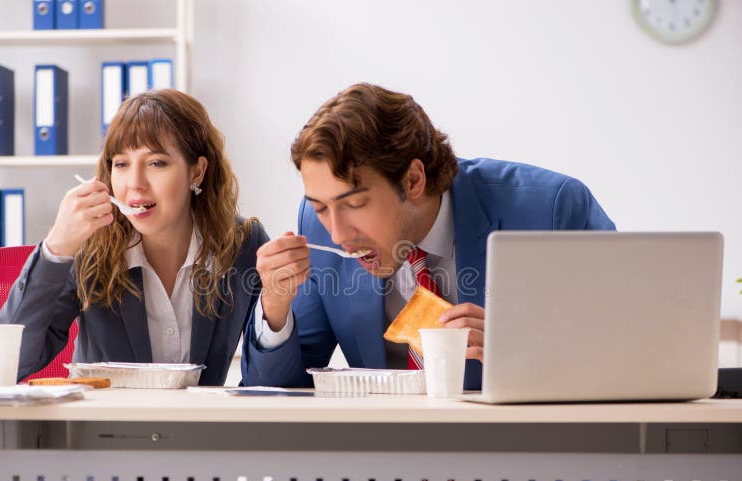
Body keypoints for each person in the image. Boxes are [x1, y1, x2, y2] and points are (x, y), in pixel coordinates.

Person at [242, 82, 615, 389]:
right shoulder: (315, 225)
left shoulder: (551, 210)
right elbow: (277, 391)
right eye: (321, 206)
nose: (338, 235)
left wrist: (525, 348)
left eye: (354, 203)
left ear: (413, 180)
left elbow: (630, 349)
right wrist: (275, 306)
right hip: (390, 469)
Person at [0, 89, 266, 385]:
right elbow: (9, 365)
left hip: (197, 429)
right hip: (102, 428)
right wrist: (56, 247)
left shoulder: (242, 244)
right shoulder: (90, 246)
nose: (135, 184)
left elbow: (271, 378)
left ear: (197, 172)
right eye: (122, 164)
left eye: (156, 163)